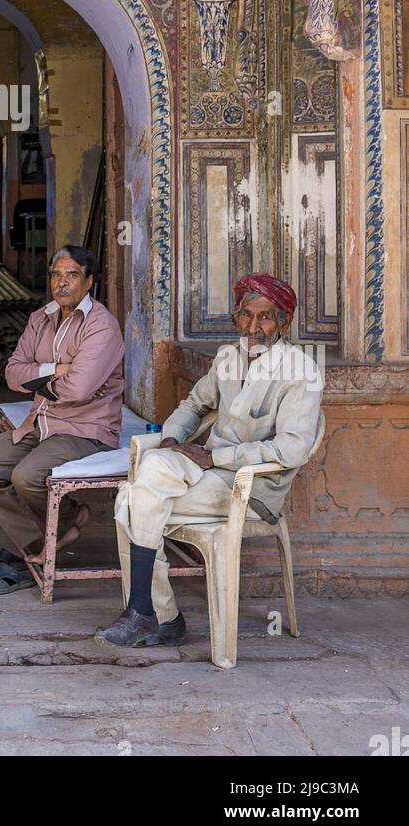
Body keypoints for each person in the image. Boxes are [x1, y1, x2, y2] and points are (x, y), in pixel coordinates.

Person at [98, 273, 323, 649]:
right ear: (236, 317)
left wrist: (215, 455)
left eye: (265, 317)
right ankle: (149, 615)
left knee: (129, 501)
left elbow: (291, 450)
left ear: (283, 321)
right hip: (207, 470)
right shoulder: (228, 358)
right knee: (150, 473)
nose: (254, 327)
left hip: (252, 486)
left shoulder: (302, 372)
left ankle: (158, 616)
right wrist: (172, 438)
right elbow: (194, 405)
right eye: (246, 316)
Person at [0, 246, 124, 595]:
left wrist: (40, 379)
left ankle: (52, 537)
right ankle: (47, 538)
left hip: (87, 427)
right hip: (40, 420)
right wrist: (57, 370)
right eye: (56, 274)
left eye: (71, 275)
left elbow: (80, 389)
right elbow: (11, 373)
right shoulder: (41, 318)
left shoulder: (102, 326)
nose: (62, 282)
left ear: (89, 281)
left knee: (27, 476)